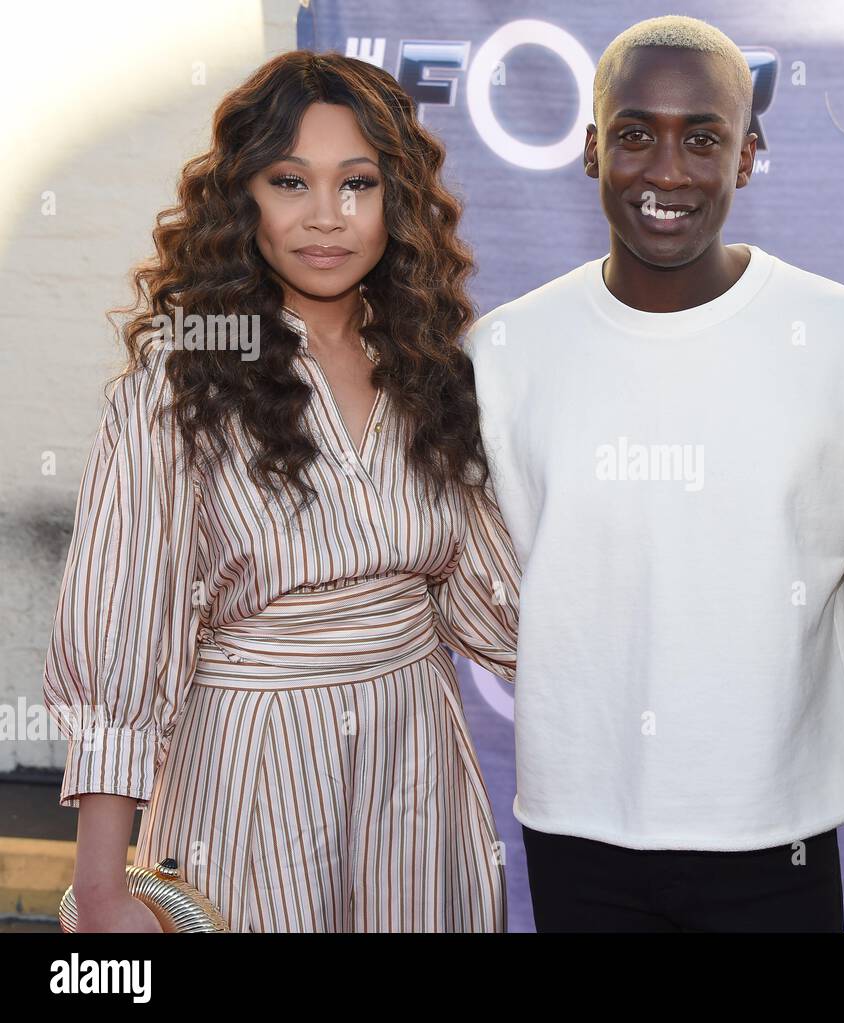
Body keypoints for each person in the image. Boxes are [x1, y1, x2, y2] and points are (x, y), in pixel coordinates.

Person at [42, 51, 520, 933]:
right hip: (245, 763)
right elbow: (123, 630)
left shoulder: (434, 372)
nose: (326, 218)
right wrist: (104, 888)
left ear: (396, 201)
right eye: (290, 180)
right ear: (244, 198)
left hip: (418, 761)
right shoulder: (179, 379)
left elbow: (504, 613)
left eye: (359, 183)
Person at [467, 15, 844, 933]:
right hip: (578, 824)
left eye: (703, 137)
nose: (667, 170)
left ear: (749, 155)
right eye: (635, 135)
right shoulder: (504, 351)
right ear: (591, 150)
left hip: (777, 828)